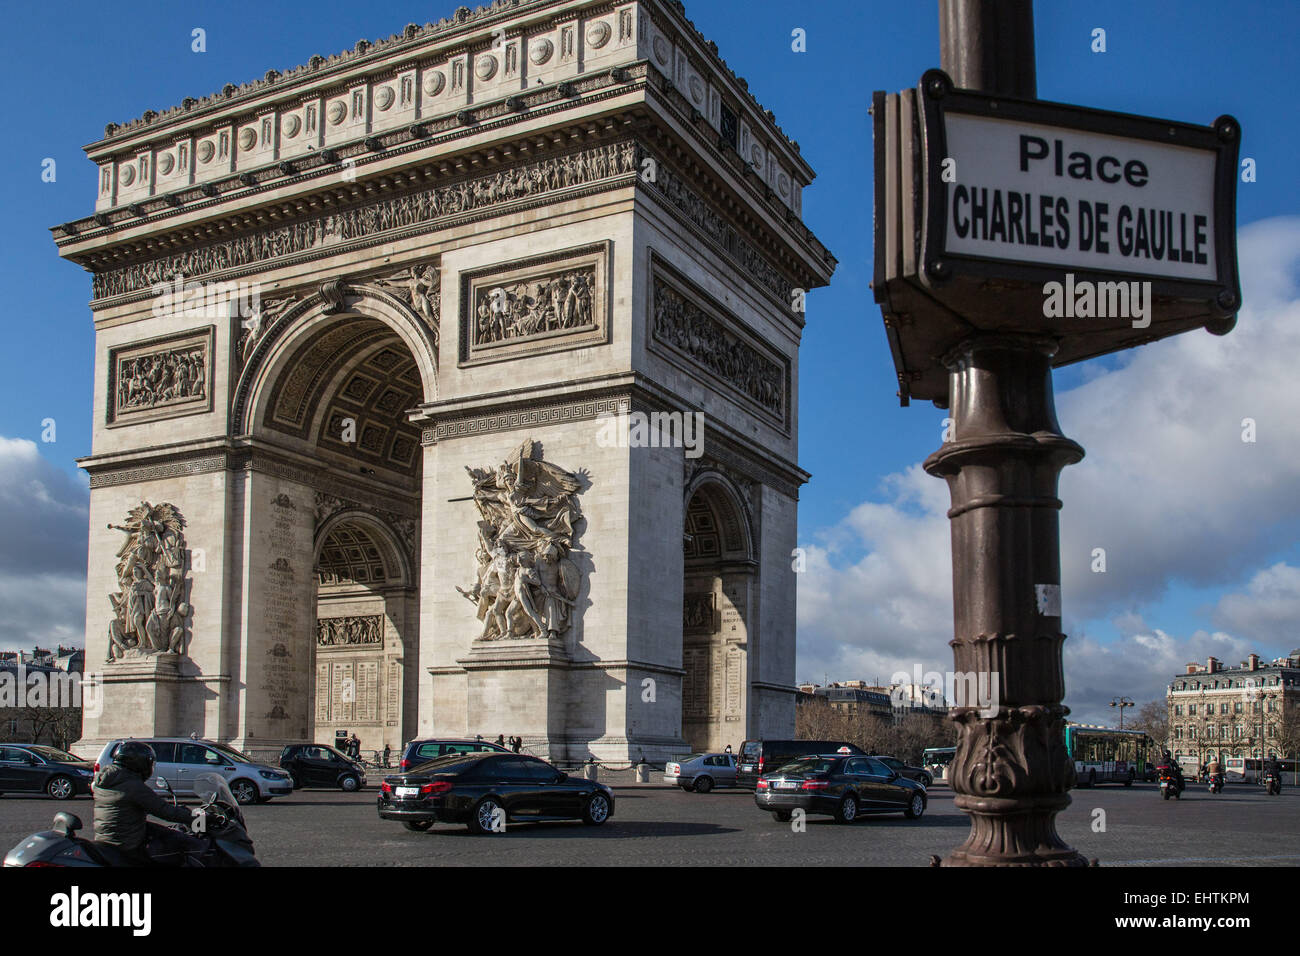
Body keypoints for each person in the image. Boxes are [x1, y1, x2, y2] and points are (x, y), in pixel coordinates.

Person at [93, 741, 205, 866]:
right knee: (182, 847)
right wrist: (198, 819)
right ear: (139, 763)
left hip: (110, 835)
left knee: (166, 831)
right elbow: (164, 811)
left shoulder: (108, 780)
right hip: (126, 842)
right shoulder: (132, 785)